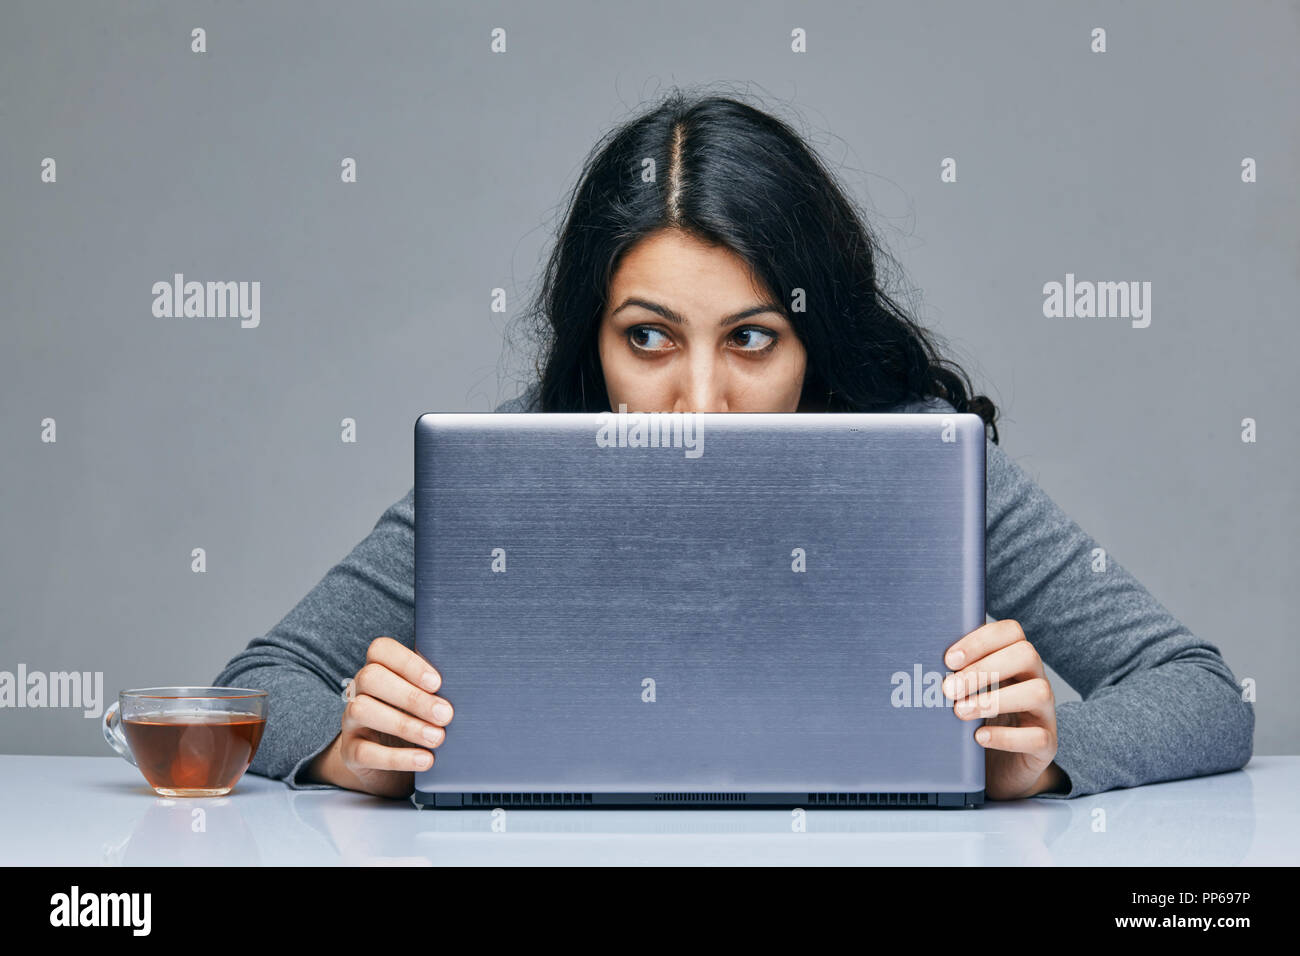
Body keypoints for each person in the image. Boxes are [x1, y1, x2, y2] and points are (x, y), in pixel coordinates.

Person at [214, 89, 1253, 801]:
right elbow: (259, 679)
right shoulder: (516, 470)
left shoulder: (921, 465)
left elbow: (1201, 691)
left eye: (752, 338)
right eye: (648, 338)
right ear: (595, 340)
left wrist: (1052, 752)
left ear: (814, 335)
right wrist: (343, 752)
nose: (699, 402)